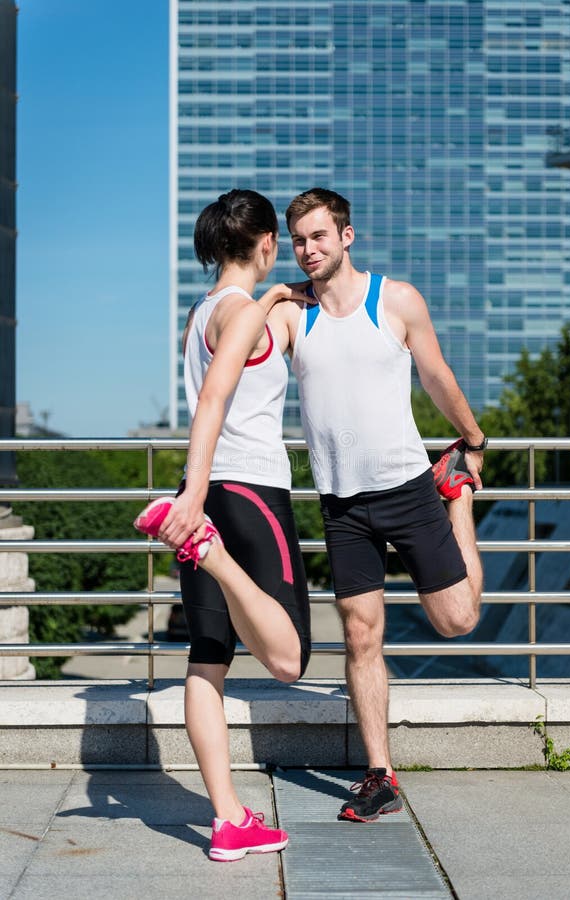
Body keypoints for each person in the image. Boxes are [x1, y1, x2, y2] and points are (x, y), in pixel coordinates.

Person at [267, 187, 484, 823]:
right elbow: (242, 346)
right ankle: (379, 774)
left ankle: (459, 497)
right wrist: (273, 296)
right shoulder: (293, 317)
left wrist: (471, 443)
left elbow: (437, 375)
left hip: (409, 489)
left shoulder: (396, 300)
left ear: (347, 236)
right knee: (361, 636)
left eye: (319, 237)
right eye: (299, 240)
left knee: (457, 620)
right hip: (342, 505)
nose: (309, 250)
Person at [134, 189, 311, 861]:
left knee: (207, 662)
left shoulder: (201, 310)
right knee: (290, 657)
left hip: (204, 493)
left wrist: (190, 495)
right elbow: (214, 400)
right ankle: (217, 556)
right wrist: (200, 504)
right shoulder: (243, 314)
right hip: (247, 489)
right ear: (266, 241)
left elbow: (208, 384)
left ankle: (229, 820)